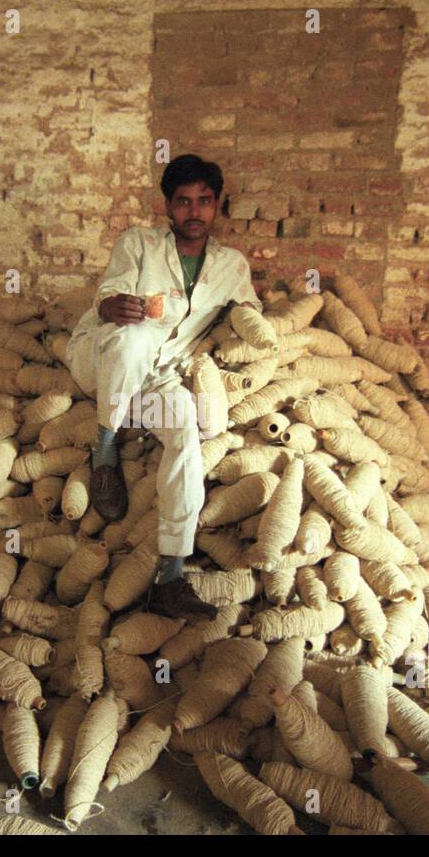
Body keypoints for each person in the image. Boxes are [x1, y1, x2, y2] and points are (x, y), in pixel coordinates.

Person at [60, 154, 262, 616]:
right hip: (108, 360)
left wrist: (253, 330)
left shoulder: (231, 265)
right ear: (167, 207)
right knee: (134, 338)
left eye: (204, 202)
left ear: (217, 207)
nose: (194, 212)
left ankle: (170, 574)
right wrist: (113, 308)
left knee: (187, 436)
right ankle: (105, 450)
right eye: (184, 202)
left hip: (160, 374)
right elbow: (107, 296)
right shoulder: (139, 244)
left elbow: (247, 311)